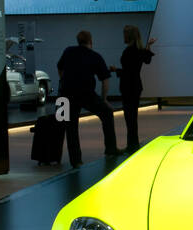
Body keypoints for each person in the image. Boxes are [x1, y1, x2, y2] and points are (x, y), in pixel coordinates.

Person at [56, 30, 119, 167]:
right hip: (86, 93)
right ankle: (111, 149)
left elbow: (59, 67)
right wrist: (104, 100)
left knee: (70, 126)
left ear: (78, 40)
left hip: (66, 94)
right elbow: (105, 79)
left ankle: (76, 160)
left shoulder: (68, 51)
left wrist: (63, 80)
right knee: (107, 114)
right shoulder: (94, 56)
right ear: (91, 41)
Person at [109, 25, 156, 152]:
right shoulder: (139, 49)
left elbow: (127, 72)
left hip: (128, 86)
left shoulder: (129, 51)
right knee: (132, 117)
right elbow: (147, 60)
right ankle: (133, 144)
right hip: (136, 86)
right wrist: (148, 46)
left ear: (128, 35)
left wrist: (115, 70)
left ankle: (132, 145)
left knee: (129, 118)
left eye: (124, 34)